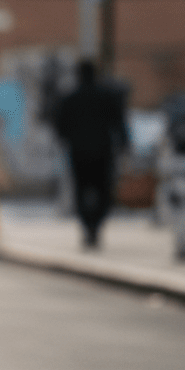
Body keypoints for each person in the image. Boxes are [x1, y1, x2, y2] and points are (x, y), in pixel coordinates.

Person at [53, 58, 129, 249]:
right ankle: (95, 225)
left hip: (79, 152)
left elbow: (60, 126)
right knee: (103, 190)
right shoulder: (106, 96)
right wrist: (124, 144)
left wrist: (68, 139)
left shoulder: (70, 98)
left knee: (81, 190)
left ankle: (88, 226)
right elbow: (118, 122)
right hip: (102, 151)